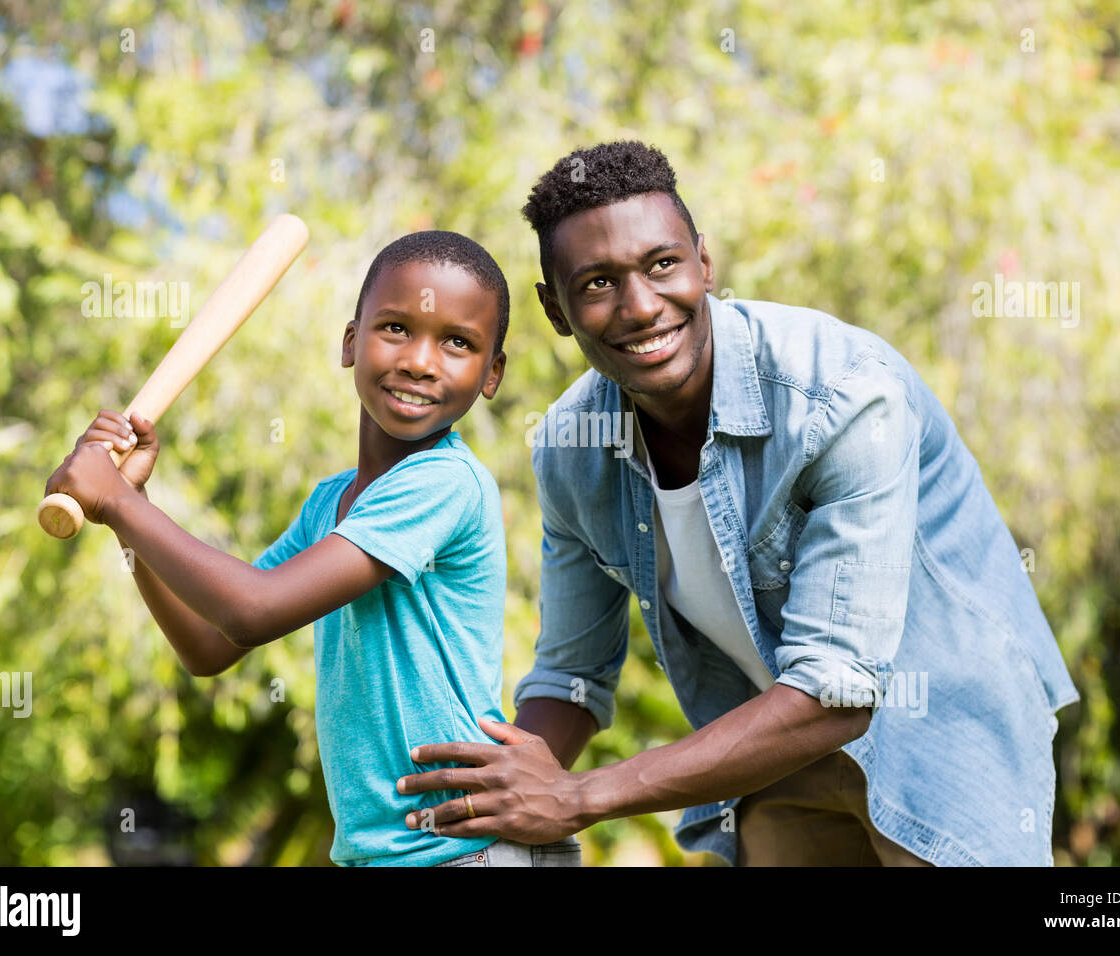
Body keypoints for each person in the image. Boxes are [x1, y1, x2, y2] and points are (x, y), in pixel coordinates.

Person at [398, 142, 1080, 867]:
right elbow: (573, 676)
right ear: (555, 310)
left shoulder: (842, 393)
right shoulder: (572, 447)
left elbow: (838, 690)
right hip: (773, 755)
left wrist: (577, 796)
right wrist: (494, 794)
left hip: (941, 732)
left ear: (704, 264)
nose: (640, 306)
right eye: (597, 283)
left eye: (662, 265)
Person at [44, 230, 580, 867]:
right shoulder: (331, 504)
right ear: (351, 341)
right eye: (395, 328)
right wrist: (132, 512)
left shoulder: (446, 485)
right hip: (384, 855)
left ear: (491, 375)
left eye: (457, 343)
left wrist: (117, 503)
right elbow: (210, 643)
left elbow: (253, 608)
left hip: (459, 851)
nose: (420, 361)